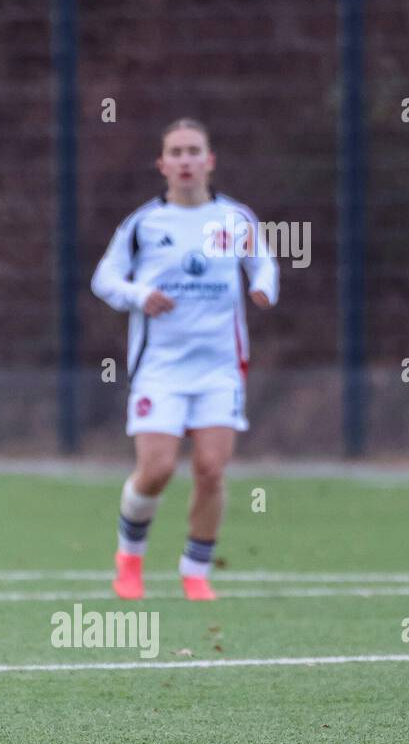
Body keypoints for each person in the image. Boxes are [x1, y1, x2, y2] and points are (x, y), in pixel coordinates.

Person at [91, 118, 277, 601]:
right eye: (176, 152)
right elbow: (104, 278)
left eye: (195, 151)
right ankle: (128, 561)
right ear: (162, 164)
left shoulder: (235, 220)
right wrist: (139, 293)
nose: (186, 160)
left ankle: (195, 571)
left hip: (219, 367)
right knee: (156, 470)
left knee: (211, 469)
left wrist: (262, 286)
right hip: (161, 369)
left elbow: (264, 262)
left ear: (209, 161)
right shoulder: (143, 225)